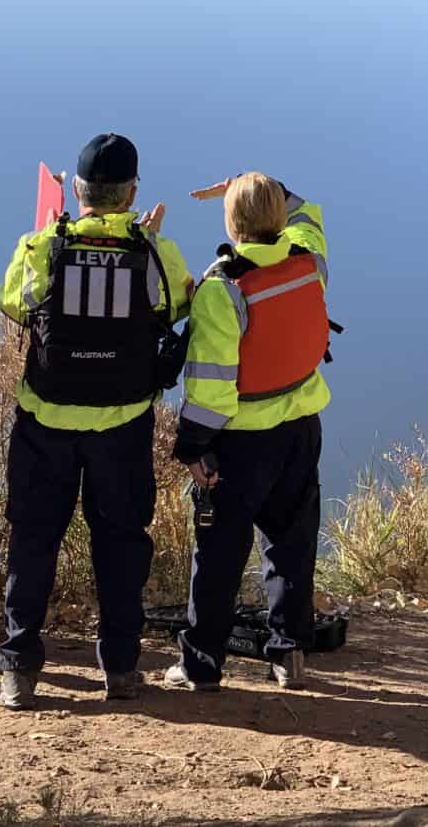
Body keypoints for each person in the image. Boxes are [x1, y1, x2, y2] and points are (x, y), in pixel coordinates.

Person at [0, 133, 193, 710]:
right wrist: (148, 239)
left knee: (33, 542)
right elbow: (180, 306)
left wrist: (48, 232)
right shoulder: (155, 251)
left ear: (77, 192)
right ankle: (121, 671)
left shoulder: (41, 246)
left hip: (44, 425)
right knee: (122, 546)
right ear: (132, 192)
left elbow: (14, 304)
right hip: (122, 426)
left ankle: (19, 669)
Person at [167, 172, 331, 692]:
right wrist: (266, 185)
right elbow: (311, 216)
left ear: (231, 225)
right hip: (301, 429)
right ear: (281, 218)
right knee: (292, 544)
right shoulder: (308, 261)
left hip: (241, 444)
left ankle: (201, 664)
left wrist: (193, 445)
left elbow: (212, 386)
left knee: (218, 553)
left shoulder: (223, 290)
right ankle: (288, 655)